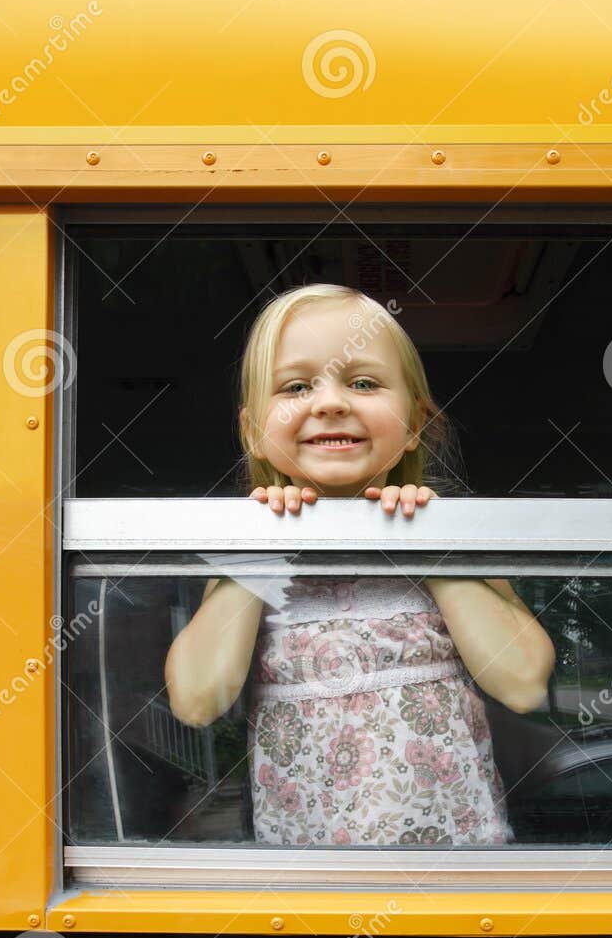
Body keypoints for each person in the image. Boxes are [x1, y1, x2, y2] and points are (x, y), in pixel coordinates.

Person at [164, 284, 555, 846]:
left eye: (364, 383)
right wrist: (258, 549)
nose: (329, 403)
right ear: (253, 432)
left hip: (457, 875)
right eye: (296, 387)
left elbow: (522, 684)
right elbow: (199, 700)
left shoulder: (452, 542)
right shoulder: (248, 557)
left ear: (416, 422)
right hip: (312, 887)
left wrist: (430, 544)